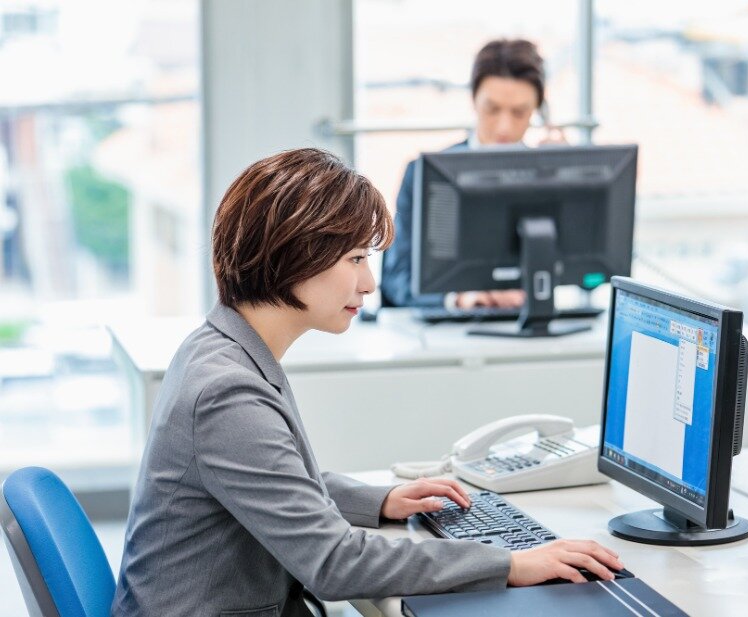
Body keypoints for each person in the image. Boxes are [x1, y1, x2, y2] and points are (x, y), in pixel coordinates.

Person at [111, 148, 623, 616]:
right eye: (355, 259)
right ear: (295, 254)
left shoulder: (222, 346)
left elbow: (276, 482)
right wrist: (508, 563)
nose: (370, 283)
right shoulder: (227, 394)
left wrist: (377, 501)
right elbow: (335, 563)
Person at [381, 38, 560, 309]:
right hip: (454, 324)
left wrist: (563, 174)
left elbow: (589, 277)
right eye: (492, 109)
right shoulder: (424, 175)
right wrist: (458, 300)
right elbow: (396, 278)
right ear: (473, 101)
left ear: (538, 110)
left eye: (519, 112)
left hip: (534, 317)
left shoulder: (552, 174)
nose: (504, 127)